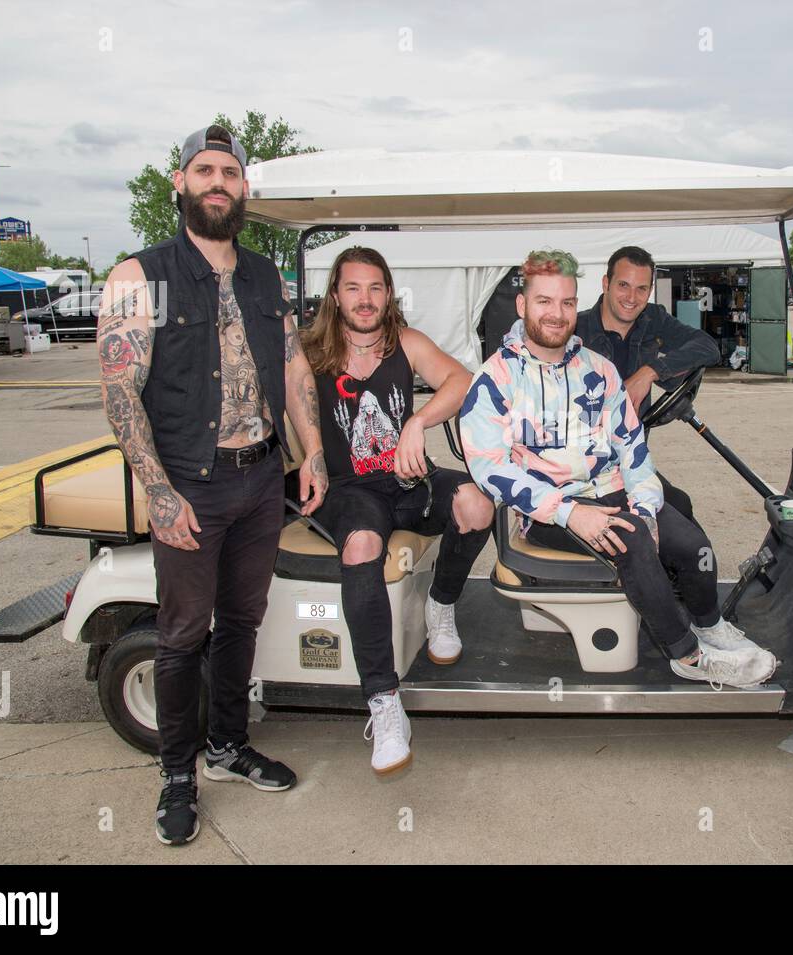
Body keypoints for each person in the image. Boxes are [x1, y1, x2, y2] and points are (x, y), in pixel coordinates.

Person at [98, 124, 327, 846]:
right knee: (181, 633)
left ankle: (227, 746)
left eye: (229, 171)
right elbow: (120, 393)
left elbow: (291, 367)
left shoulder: (265, 277)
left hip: (261, 478)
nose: (218, 181)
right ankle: (177, 775)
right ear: (181, 182)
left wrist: (312, 448)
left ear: (244, 189)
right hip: (188, 484)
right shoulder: (139, 276)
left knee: (243, 621)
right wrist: (158, 493)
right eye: (205, 170)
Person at [461, 249, 776, 688]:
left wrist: (647, 508)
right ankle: (687, 655)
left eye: (567, 303)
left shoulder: (600, 370)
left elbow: (633, 449)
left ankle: (708, 625)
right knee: (632, 541)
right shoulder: (494, 380)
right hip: (550, 511)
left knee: (693, 544)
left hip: (612, 493)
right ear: (522, 305)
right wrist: (572, 512)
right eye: (544, 302)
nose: (557, 314)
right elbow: (489, 468)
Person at [301, 246, 494, 776]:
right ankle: (385, 703)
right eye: (353, 288)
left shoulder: (405, 344)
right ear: (335, 296)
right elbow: (292, 403)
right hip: (349, 490)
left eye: (375, 288)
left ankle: (442, 603)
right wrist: (310, 456)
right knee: (363, 544)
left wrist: (418, 422)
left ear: (389, 294)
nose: (365, 300)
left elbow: (460, 380)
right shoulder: (311, 350)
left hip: (407, 480)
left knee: (477, 504)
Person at [574, 246, 720, 523]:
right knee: (679, 525)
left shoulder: (653, 319)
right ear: (606, 284)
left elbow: (707, 346)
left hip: (631, 463)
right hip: (587, 470)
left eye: (641, 289)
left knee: (681, 505)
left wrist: (649, 372)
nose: (632, 298)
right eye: (623, 286)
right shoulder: (576, 331)